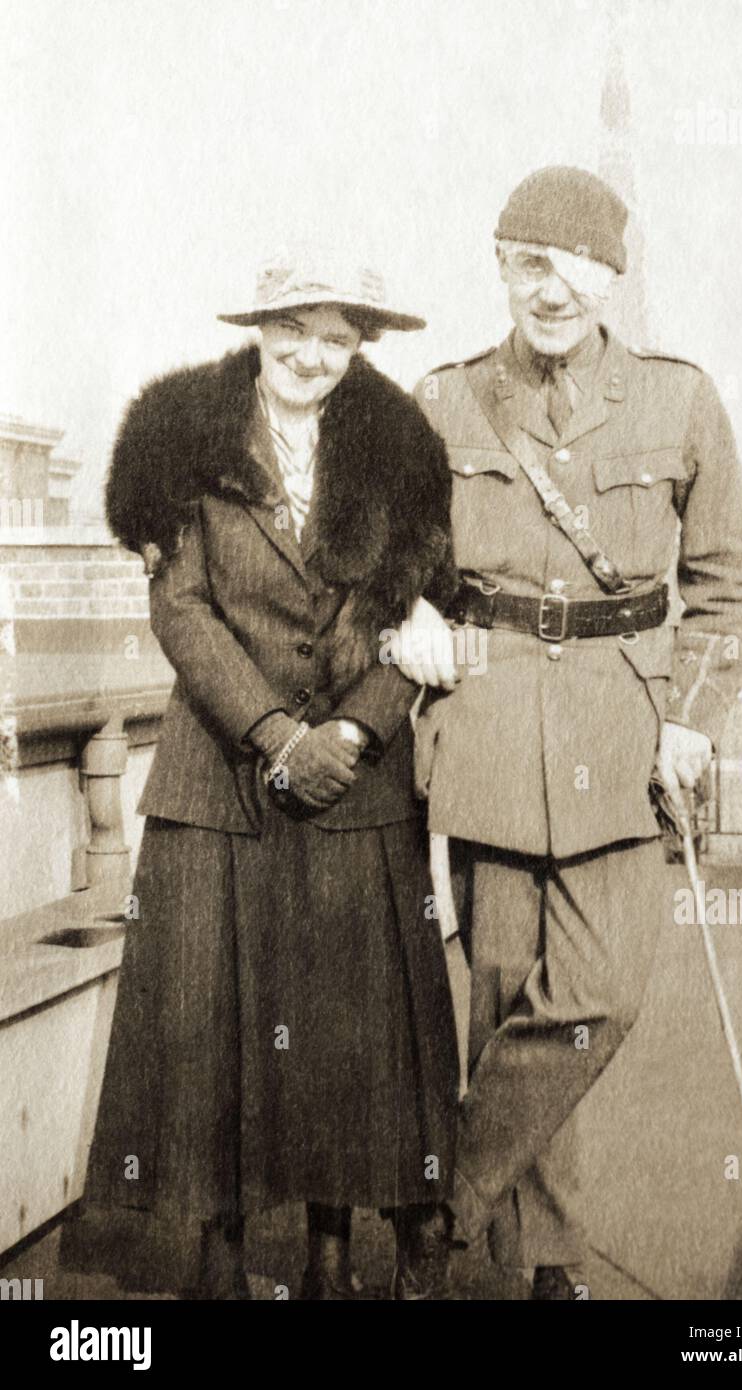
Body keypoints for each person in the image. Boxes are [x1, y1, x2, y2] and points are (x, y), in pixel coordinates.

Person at [60, 246, 459, 1300]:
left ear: (360, 346)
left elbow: (423, 605)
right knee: (208, 1024)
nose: (312, 356)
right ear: (259, 326)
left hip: (360, 778)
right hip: (217, 777)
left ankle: (333, 1254)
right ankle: (217, 1256)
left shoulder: (402, 449)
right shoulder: (184, 437)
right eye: (295, 329)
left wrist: (361, 733)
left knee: (344, 1024)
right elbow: (180, 606)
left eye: (337, 339)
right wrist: (277, 733)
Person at [404, 167, 742, 1298]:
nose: (549, 288)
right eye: (526, 264)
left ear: (610, 276)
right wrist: (408, 608)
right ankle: (543, 1260)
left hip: (623, 734)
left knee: (599, 996)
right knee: (506, 996)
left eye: (572, 267)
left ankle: (442, 1197)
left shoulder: (678, 399)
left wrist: (693, 725)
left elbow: (729, 583)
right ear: (501, 270)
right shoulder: (443, 400)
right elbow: (394, 563)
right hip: (492, 728)